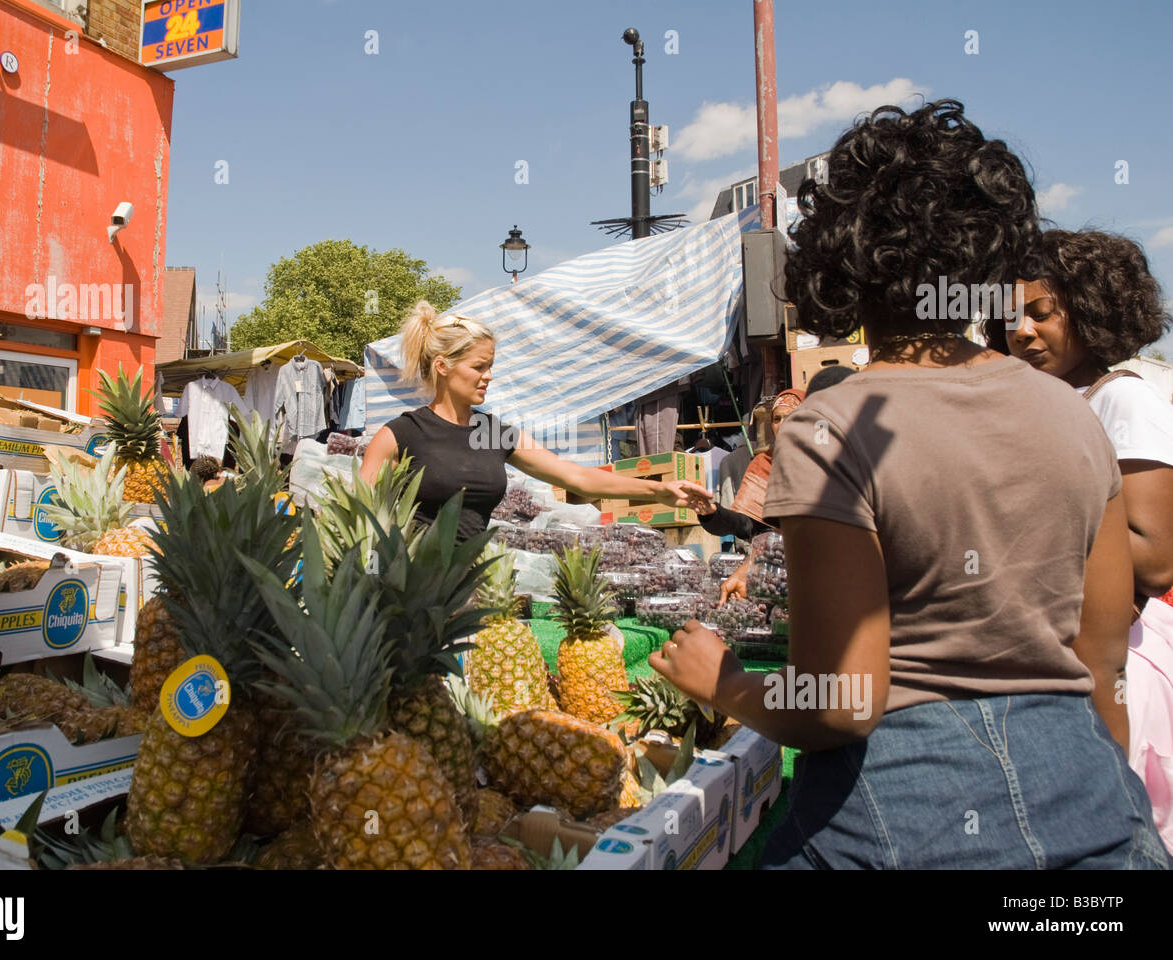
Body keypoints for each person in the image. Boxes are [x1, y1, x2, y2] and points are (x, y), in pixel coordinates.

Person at [650, 99, 1167, 869]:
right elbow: (1102, 665)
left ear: (834, 258)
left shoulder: (832, 426)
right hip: (1091, 796)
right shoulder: (1073, 415)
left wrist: (725, 686)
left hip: (902, 807)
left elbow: (845, 704)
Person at [993, 229, 1173, 852]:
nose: (1022, 332)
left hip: (1123, 661)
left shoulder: (1123, 397)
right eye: (1012, 319)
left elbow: (1152, 556)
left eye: (1041, 315)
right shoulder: (1063, 400)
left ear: (1092, 311)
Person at [360, 302, 712, 540]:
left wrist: (659, 491)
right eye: (479, 367)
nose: (488, 376)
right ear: (443, 366)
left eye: (491, 366)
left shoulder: (493, 434)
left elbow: (576, 477)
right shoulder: (400, 435)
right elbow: (361, 521)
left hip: (471, 589)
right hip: (412, 592)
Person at [705, 371, 856, 602]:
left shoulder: (831, 459)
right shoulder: (763, 463)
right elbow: (749, 526)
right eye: (777, 419)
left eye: (792, 416)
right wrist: (710, 513)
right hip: (774, 575)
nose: (783, 425)